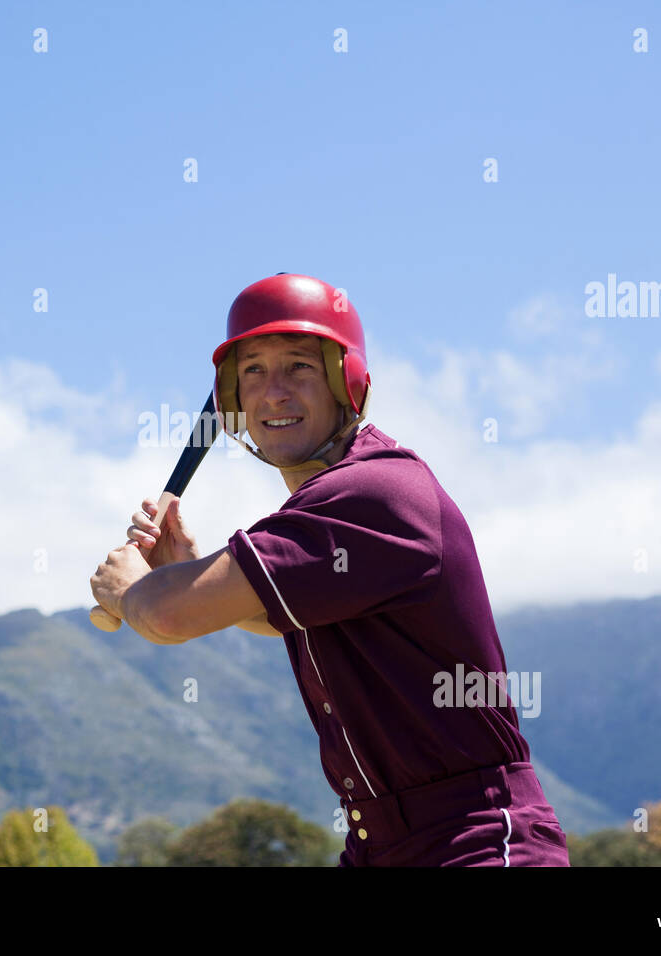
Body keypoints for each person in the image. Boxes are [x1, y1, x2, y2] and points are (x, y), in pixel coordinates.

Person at [90, 273, 570, 866]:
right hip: (378, 843)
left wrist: (132, 588)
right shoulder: (329, 506)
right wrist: (185, 571)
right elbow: (287, 619)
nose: (274, 393)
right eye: (254, 372)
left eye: (299, 367)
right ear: (234, 400)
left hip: (472, 836)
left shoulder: (374, 491)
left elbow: (165, 616)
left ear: (349, 383)